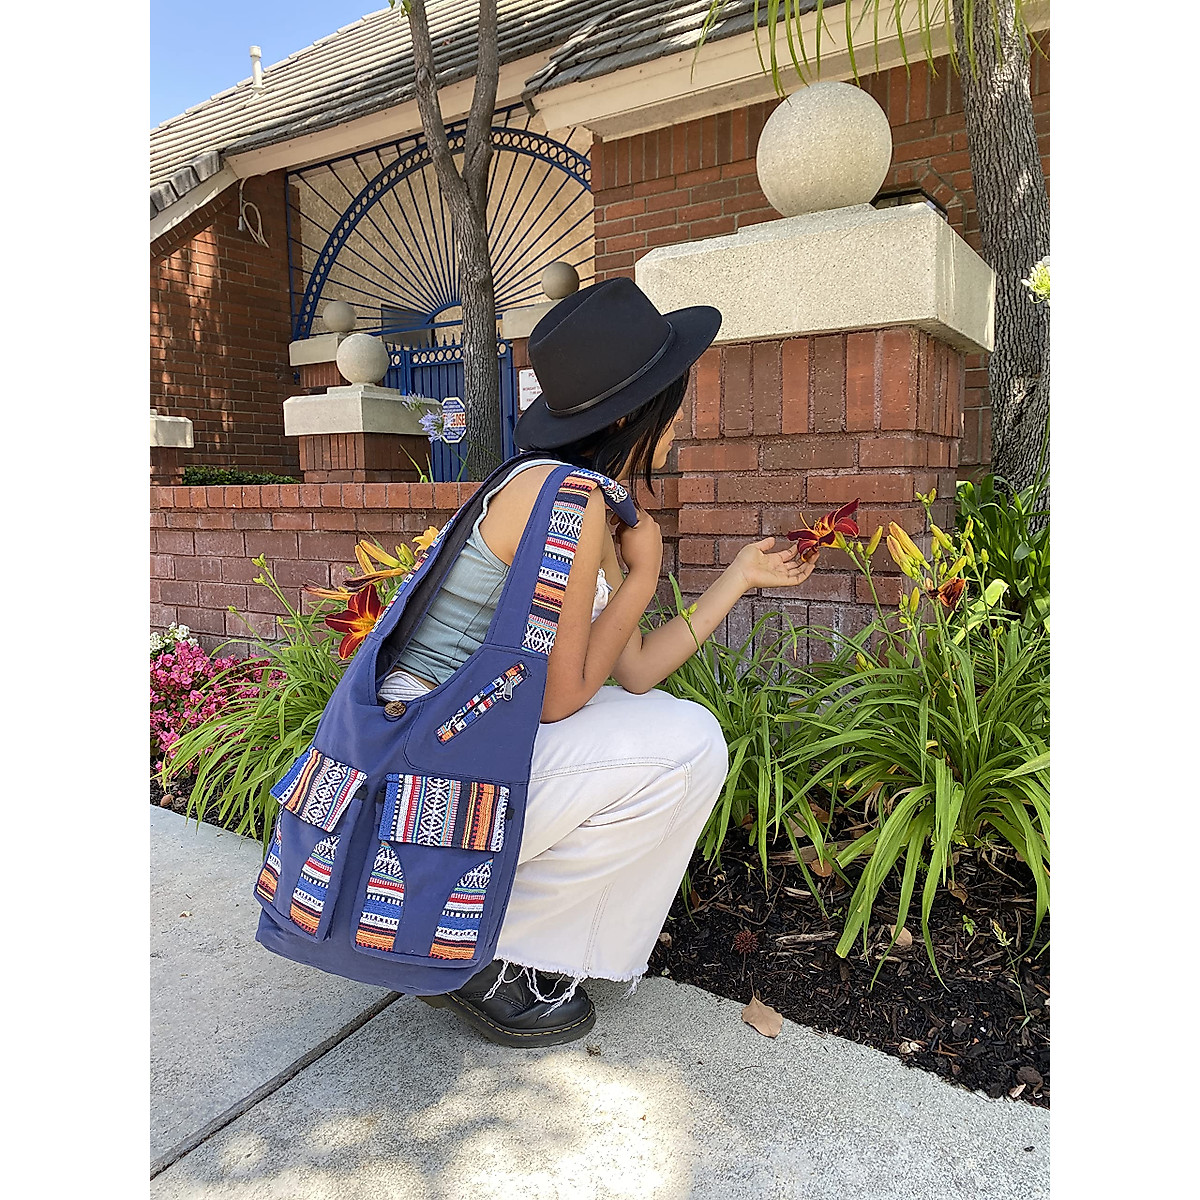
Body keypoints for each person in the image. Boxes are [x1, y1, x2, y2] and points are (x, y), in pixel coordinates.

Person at [377, 277, 817, 1047]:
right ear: (632, 414)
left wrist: (739, 577)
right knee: (686, 747)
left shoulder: (581, 497)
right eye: (673, 403)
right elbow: (558, 700)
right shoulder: (569, 505)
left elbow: (636, 668)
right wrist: (644, 575)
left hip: (442, 743)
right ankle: (476, 950)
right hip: (421, 774)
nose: (680, 421)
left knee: (670, 724)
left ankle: (494, 938)